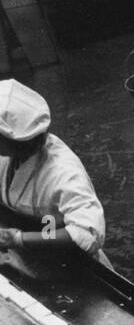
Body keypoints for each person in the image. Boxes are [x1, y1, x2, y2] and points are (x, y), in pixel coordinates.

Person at [0, 79, 109, 267]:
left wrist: (18, 238)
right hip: (28, 255)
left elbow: (88, 233)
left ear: (14, 140)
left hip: (70, 261)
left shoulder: (63, 172)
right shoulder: (11, 154)